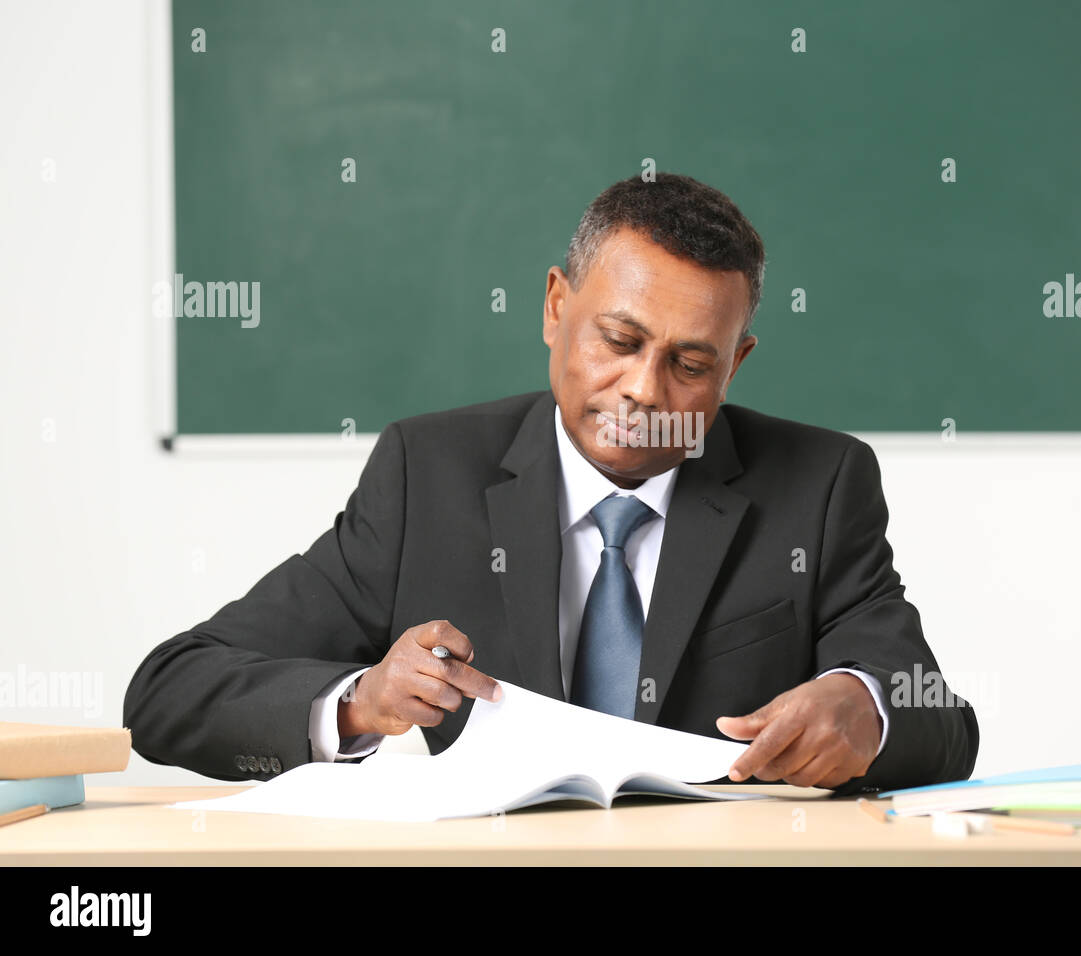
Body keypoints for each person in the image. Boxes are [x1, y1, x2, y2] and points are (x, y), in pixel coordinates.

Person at [124, 173, 978, 794]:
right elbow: (170, 692)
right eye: (618, 339)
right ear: (553, 306)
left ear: (735, 366)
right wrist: (357, 702)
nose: (645, 389)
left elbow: (943, 721)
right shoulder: (427, 475)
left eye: (690, 363)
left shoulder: (821, 485)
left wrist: (867, 707)